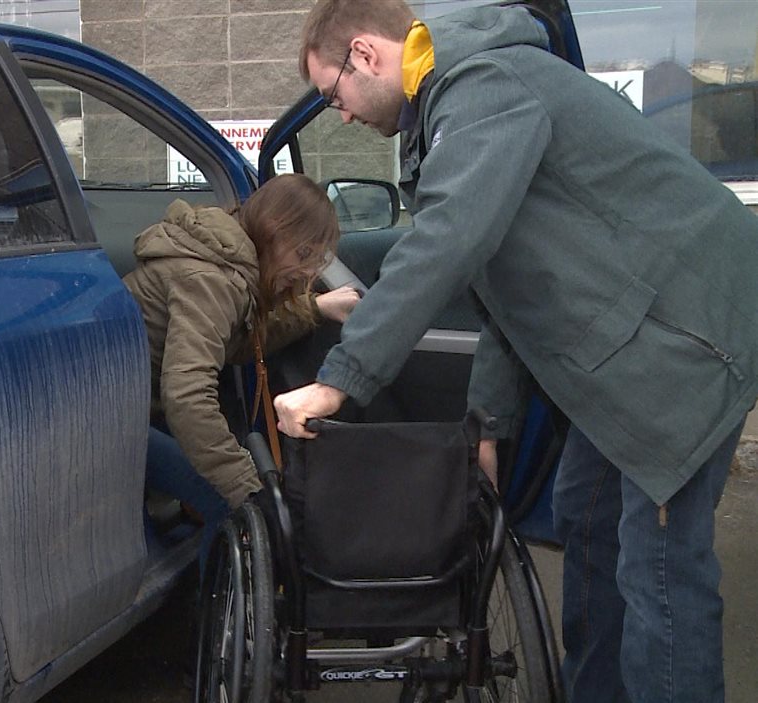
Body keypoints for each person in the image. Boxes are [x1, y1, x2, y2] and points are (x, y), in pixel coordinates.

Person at [275, 2, 758, 701]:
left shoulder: (484, 87)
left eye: (332, 95)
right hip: (627, 344)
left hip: (684, 339)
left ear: (366, 54)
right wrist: (490, 425)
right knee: (585, 521)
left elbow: (449, 240)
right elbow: (504, 287)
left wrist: (338, 380)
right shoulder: (452, 109)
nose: (341, 115)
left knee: (659, 569)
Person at [123, 173, 361, 566]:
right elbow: (187, 395)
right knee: (232, 501)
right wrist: (249, 488)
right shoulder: (211, 278)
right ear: (272, 232)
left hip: (136, 407)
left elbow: (234, 344)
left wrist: (314, 308)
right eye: (303, 256)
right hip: (121, 422)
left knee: (226, 470)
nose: (306, 274)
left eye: (316, 261)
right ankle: (222, 621)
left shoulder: (227, 263)